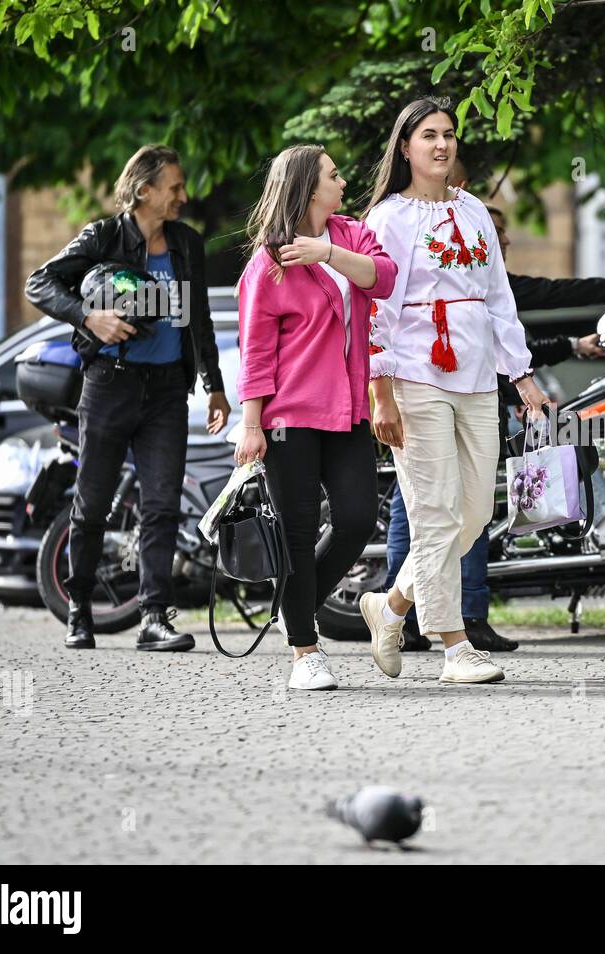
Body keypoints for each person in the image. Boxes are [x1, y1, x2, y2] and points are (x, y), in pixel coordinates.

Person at [383, 191, 605, 653]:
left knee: (450, 511)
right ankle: (458, 617)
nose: (503, 239)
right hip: (445, 395)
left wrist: (566, 350)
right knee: (431, 506)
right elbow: (544, 299)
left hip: (483, 395)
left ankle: (405, 610)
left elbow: (520, 329)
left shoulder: (486, 283)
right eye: (494, 232)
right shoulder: (425, 262)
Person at [359, 96, 549, 685]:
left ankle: (390, 606)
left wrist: (521, 375)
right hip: (417, 376)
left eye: (449, 134)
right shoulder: (387, 218)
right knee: (434, 511)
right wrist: (381, 393)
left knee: (474, 509)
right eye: (429, 136)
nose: (442, 145)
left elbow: (499, 300)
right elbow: (375, 310)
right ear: (406, 147)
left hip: (476, 376)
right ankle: (454, 648)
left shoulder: (472, 212)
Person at [24, 144, 230, 652]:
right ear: (144, 191)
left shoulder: (186, 244)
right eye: (174, 187)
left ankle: (154, 617)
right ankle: (78, 608)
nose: (184, 195)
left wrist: (215, 386)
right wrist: (87, 316)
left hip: (165, 392)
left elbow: (197, 317)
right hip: (109, 385)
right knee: (92, 502)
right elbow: (40, 282)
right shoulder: (103, 236)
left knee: (161, 506)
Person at [234, 144, 396, 690]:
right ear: (306, 187)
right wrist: (252, 424)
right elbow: (256, 352)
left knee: (355, 520)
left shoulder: (349, 235)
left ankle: (294, 604)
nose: (344, 181)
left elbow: (384, 278)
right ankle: (305, 649)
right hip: (289, 417)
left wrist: (326, 253)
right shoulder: (266, 263)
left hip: (349, 409)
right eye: (333, 175)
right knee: (298, 533)